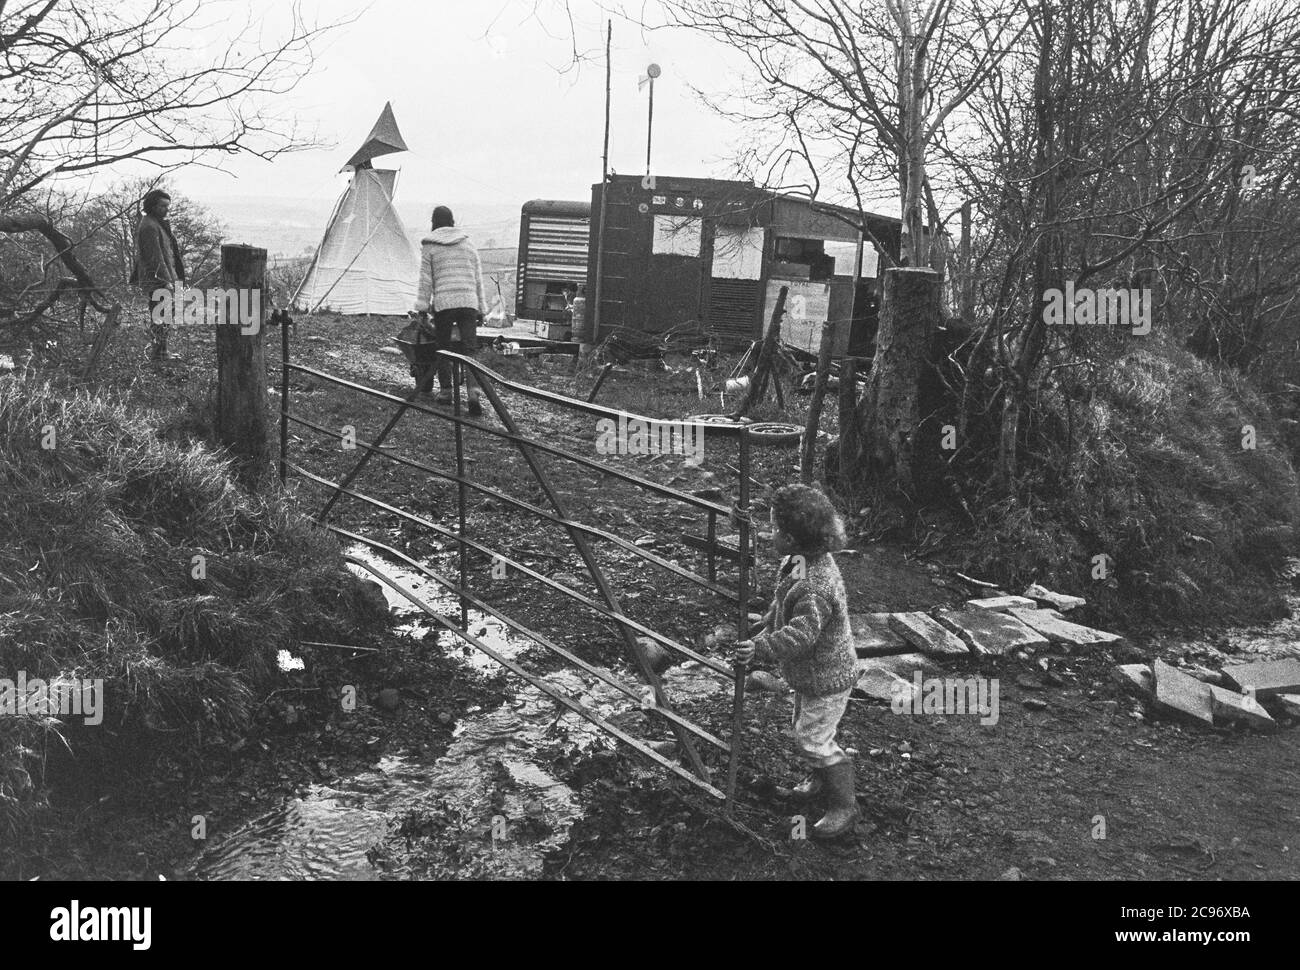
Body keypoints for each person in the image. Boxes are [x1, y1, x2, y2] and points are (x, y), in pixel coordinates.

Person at [733, 484, 858, 840]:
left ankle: (844, 807)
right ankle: (820, 780)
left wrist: (761, 647)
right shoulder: (802, 559)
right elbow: (785, 595)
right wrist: (771, 616)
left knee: (811, 738)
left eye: (772, 529)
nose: (770, 533)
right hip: (810, 675)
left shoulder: (816, 586)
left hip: (827, 676)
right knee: (806, 727)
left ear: (788, 537)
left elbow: (802, 635)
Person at [414, 205, 486, 416]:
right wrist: (481, 307)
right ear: (453, 221)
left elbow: (425, 280)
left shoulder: (430, 245)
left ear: (434, 222)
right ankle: (473, 392)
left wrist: (421, 307)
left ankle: (446, 391)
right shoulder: (468, 244)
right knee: (470, 349)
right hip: (468, 301)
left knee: (443, 347)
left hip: (445, 303)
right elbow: (478, 278)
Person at [130, 188, 186, 362]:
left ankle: (162, 352)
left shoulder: (156, 223)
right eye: (162, 206)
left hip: (164, 279)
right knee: (160, 316)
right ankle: (159, 354)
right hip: (158, 281)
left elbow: (167, 255)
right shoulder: (149, 226)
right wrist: (166, 281)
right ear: (153, 206)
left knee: (164, 316)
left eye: (167, 206)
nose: (166, 209)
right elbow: (155, 258)